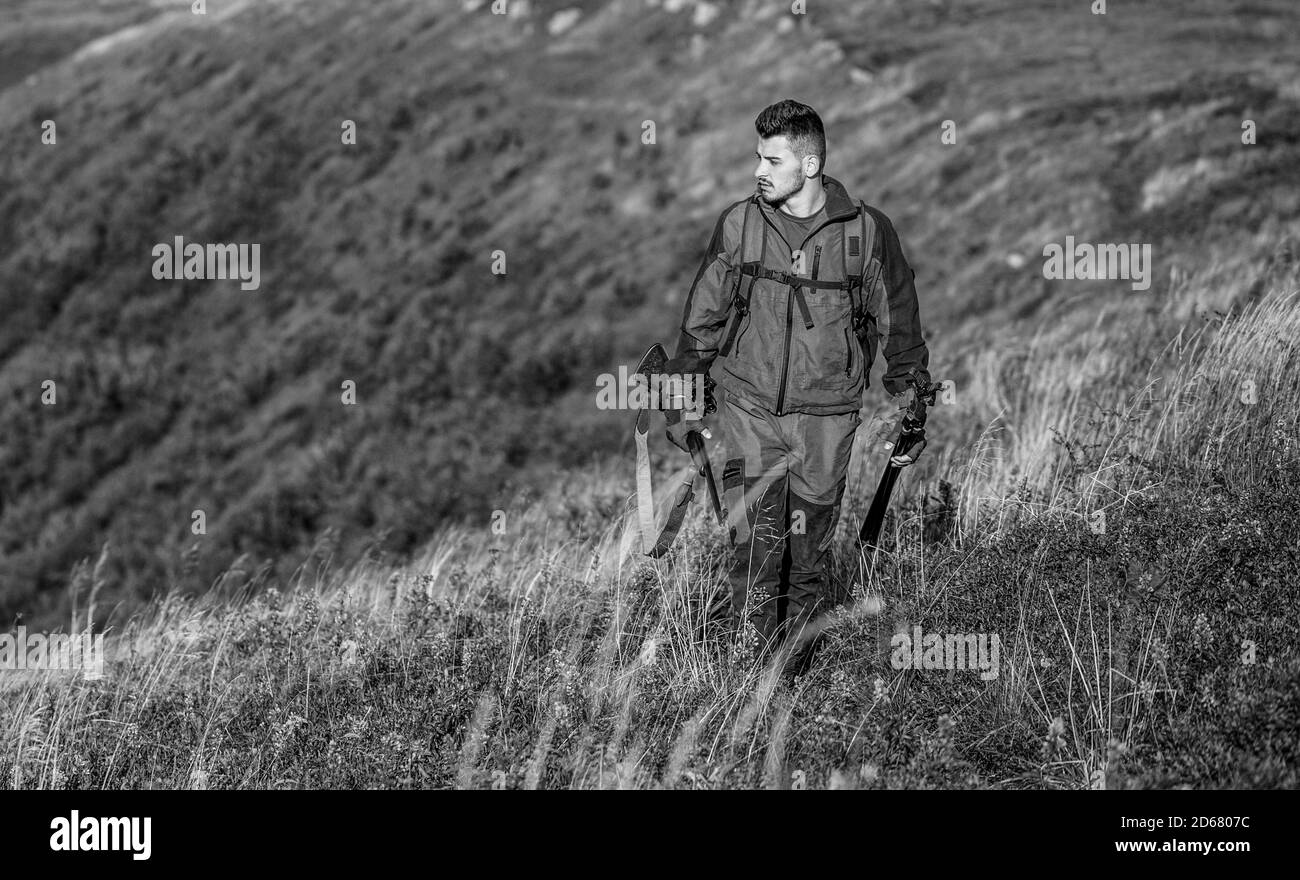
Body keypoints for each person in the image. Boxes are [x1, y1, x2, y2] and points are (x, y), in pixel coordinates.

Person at [663, 98, 932, 658]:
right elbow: (703, 319)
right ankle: (740, 683)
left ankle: (793, 684)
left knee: (807, 561)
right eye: (758, 158)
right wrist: (682, 393)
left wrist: (912, 397)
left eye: (773, 161)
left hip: (827, 421)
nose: (759, 171)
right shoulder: (739, 225)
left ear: (809, 165)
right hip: (748, 410)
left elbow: (899, 322)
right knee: (755, 553)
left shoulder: (865, 234)